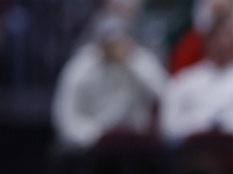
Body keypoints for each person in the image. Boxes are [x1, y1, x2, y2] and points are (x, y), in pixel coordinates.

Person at [51, 14, 167, 149]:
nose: (115, 48)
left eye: (120, 41)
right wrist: (94, 136)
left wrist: (132, 63)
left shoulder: (141, 61)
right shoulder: (80, 68)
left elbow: (164, 94)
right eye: (110, 43)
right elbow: (64, 116)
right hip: (91, 144)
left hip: (136, 143)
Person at [160, 2, 233, 142]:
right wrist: (201, 124)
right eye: (216, 38)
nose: (221, 43)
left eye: (226, 37)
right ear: (207, 42)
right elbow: (168, 127)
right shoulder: (184, 81)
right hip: (193, 148)